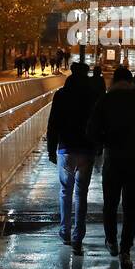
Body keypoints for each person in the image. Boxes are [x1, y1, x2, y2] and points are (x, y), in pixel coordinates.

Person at [86, 66, 135, 269]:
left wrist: (104, 142)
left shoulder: (106, 100)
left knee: (110, 204)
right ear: (130, 81)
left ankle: (111, 241)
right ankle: (126, 250)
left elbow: (91, 129)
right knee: (131, 208)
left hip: (113, 160)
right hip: (134, 159)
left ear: (114, 81)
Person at [46, 62, 98, 254]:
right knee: (81, 194)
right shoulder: (93, 95)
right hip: (87, 149)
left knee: (65, 191)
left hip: (66, 148)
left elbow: (53, 124)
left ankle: (64, 231)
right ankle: (78, 237)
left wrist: (51, 150)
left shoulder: (61, 95)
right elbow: (98, 123)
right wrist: (98, 145)